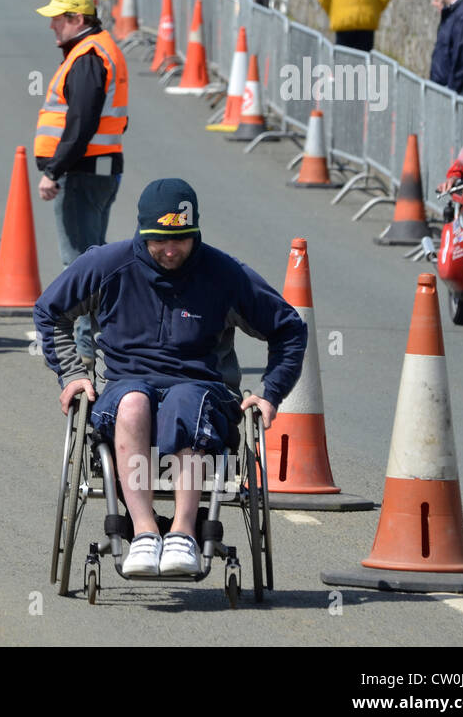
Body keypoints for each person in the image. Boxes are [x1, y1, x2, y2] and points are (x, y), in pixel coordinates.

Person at [33, 178, 307, 576]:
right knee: (132, 402)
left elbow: (288, 328)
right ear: (143, 232)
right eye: (159, 240)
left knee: (185, 403)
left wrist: (270, 394)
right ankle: (144, 532)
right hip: (126, 385)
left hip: (203, 389)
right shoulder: (108, 265)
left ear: (195, 233)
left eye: (181, 239)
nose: (170, 249)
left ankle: (182, 533)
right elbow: (49, 311)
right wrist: (73, 374)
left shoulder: (224, 274)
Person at [33, 0, 129, 363]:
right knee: (92, 255)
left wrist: (54, 169)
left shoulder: (88, 56)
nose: (53, 27)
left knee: (80, 262)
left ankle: (87, 347)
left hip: (83, 172)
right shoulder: (101, 48)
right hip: (100, 168)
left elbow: (82, 121)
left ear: (78, 20)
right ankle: (97, 340)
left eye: (58, 19)